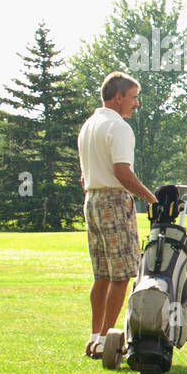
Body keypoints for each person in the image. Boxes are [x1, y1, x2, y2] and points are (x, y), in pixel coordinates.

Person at [78, 71, 157, 358]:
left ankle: (95, 335)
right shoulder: (119, 128)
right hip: (113, 201)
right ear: (118, 97)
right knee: (121, 274)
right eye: (133, 98)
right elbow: (123, 172)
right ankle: (105, 341)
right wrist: (151, 198)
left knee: (101, 274)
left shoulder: (89, 125)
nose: (136, 104)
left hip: (92, 199)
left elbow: (84, 176)